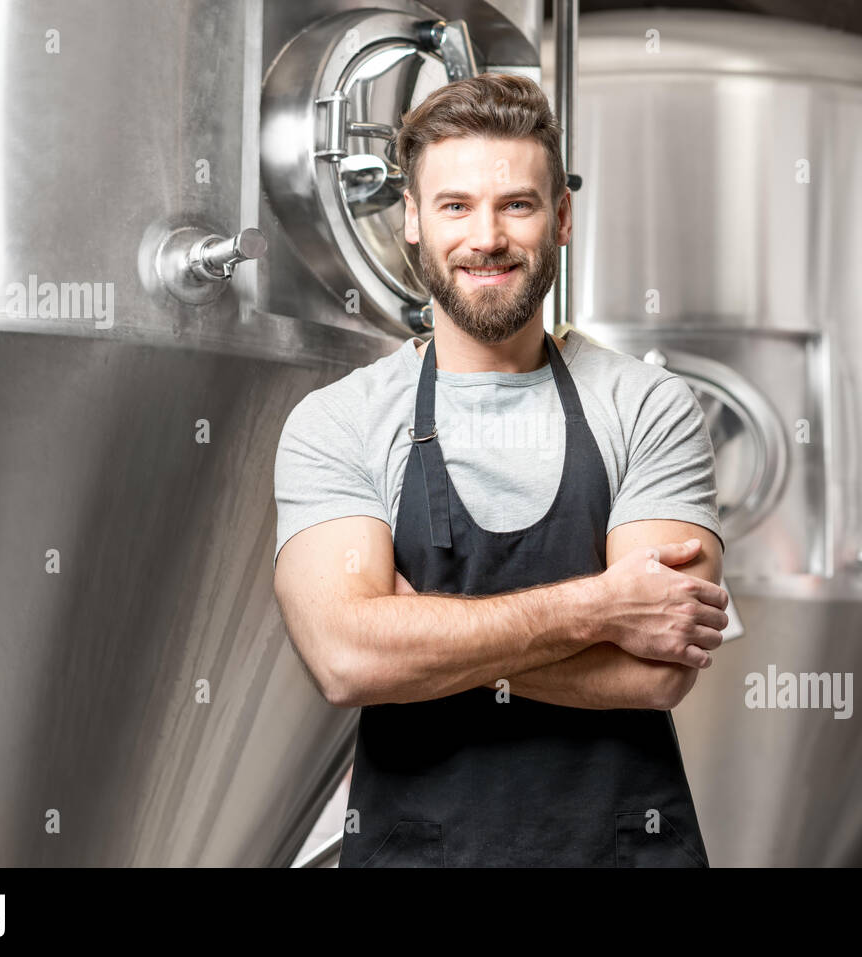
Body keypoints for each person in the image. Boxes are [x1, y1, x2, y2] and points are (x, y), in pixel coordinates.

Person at [273, 72, 728, 867]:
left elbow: (655, 670)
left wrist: (421, 638)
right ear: (412, 220)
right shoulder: (338, 421)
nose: (486, 237)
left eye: (516, 204)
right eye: (455, 206)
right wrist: (603, 603)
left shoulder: (648, 404)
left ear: (561, 218)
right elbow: (347, 660)